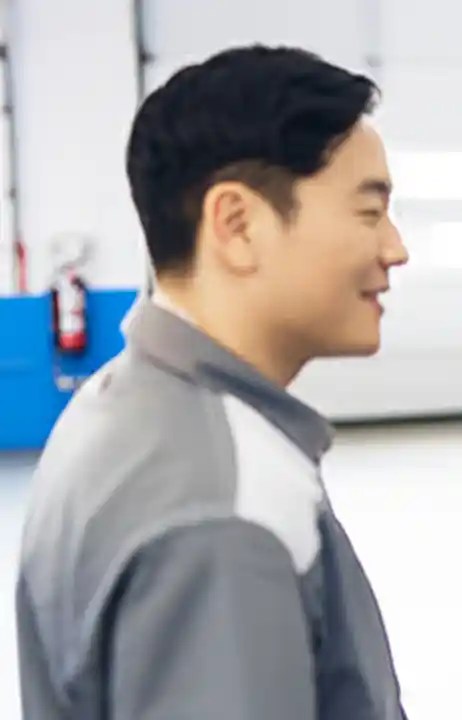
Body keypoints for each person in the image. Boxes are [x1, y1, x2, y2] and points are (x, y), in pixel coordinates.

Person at [16, 45, 410, 719]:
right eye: (369, 213)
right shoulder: (223, 511)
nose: (394, 247)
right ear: (236, 224)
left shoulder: (120, 410)